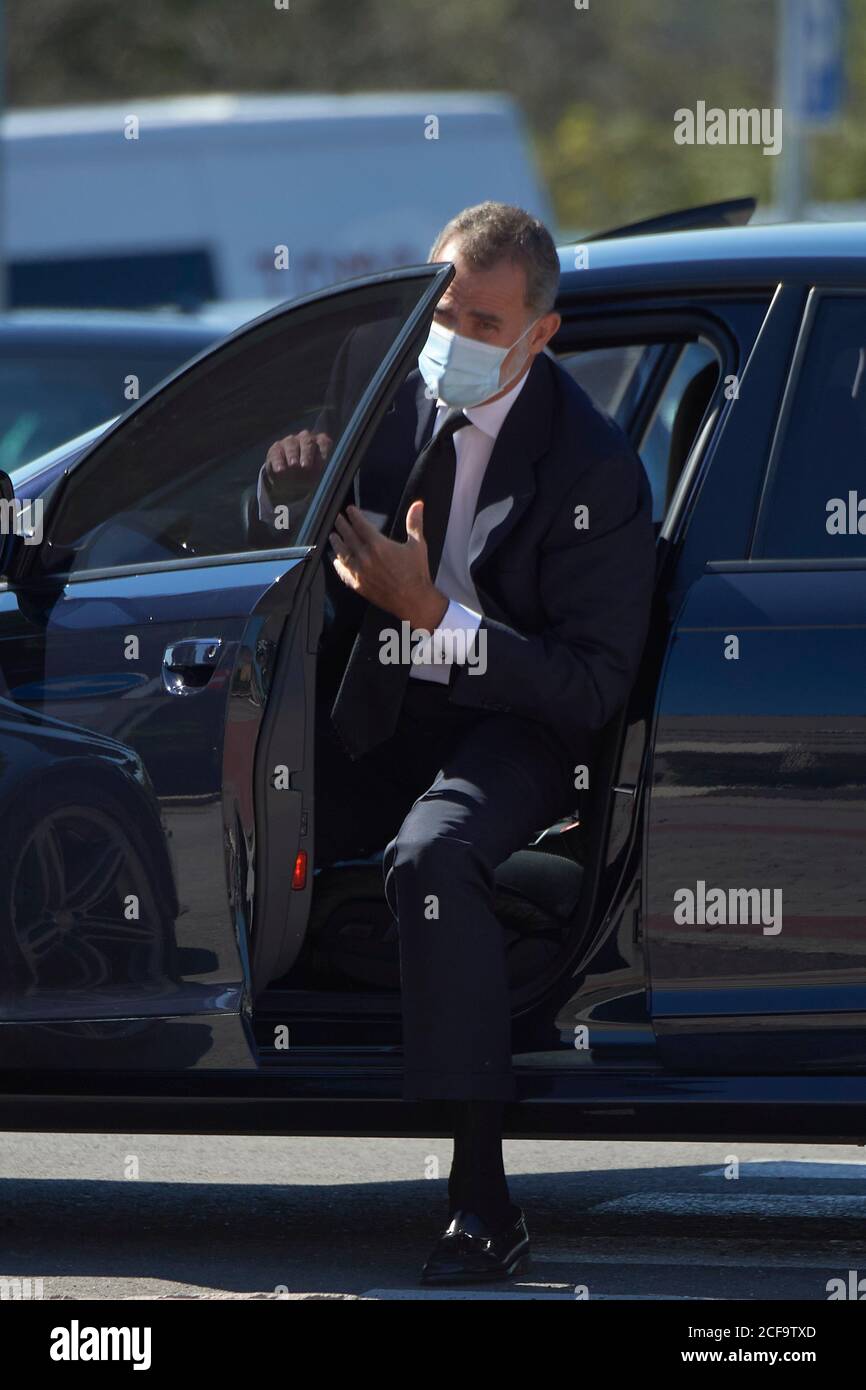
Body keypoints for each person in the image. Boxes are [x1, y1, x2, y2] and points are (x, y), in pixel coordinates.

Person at [258, 201, 656, 1284]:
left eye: (483, 323)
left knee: (433, 858)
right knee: (241, 810)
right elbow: (279, 522)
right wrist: (287, 485)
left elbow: (586, 685)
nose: (452, 340)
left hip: (518, 726)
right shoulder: (384, 396)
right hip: (385, 705)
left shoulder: (593, 468)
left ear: (539, 336)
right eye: (441, 312)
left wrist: (433, 617)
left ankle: (481, 1196)